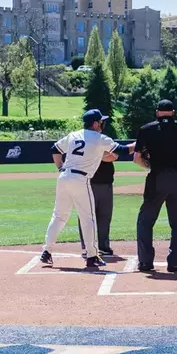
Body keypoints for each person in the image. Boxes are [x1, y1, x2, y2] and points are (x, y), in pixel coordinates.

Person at [40, 109, 118, 268]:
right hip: (80, 179)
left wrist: (60, 167)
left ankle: (46, 251)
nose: (102, 124)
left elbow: (54, 149)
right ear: (95, 123)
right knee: (88, 217)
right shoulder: (99, 138)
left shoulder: (74, 134)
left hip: (64, 178)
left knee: (59, 216)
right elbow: (121, 151)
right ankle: (91, 255)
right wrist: (138, 144)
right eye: (101, 122)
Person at [133, 99, 177, 273]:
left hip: (156, 178)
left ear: (157, 112)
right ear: (173, 112)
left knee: (145, 221)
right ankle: (175, 262)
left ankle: (146, 262)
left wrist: (149, 165)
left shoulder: (146, 129)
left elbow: (137, 158)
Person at [77, 138, 119, 258]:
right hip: (88, 182)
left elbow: (114, 155)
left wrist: (98, 154)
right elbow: (109, 156)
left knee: (105, 216)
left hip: (106, 182)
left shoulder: (105, 140)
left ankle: (103, 246)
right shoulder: (84, 140)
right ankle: (87, 246)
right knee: (86, 215)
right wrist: (103, 153)